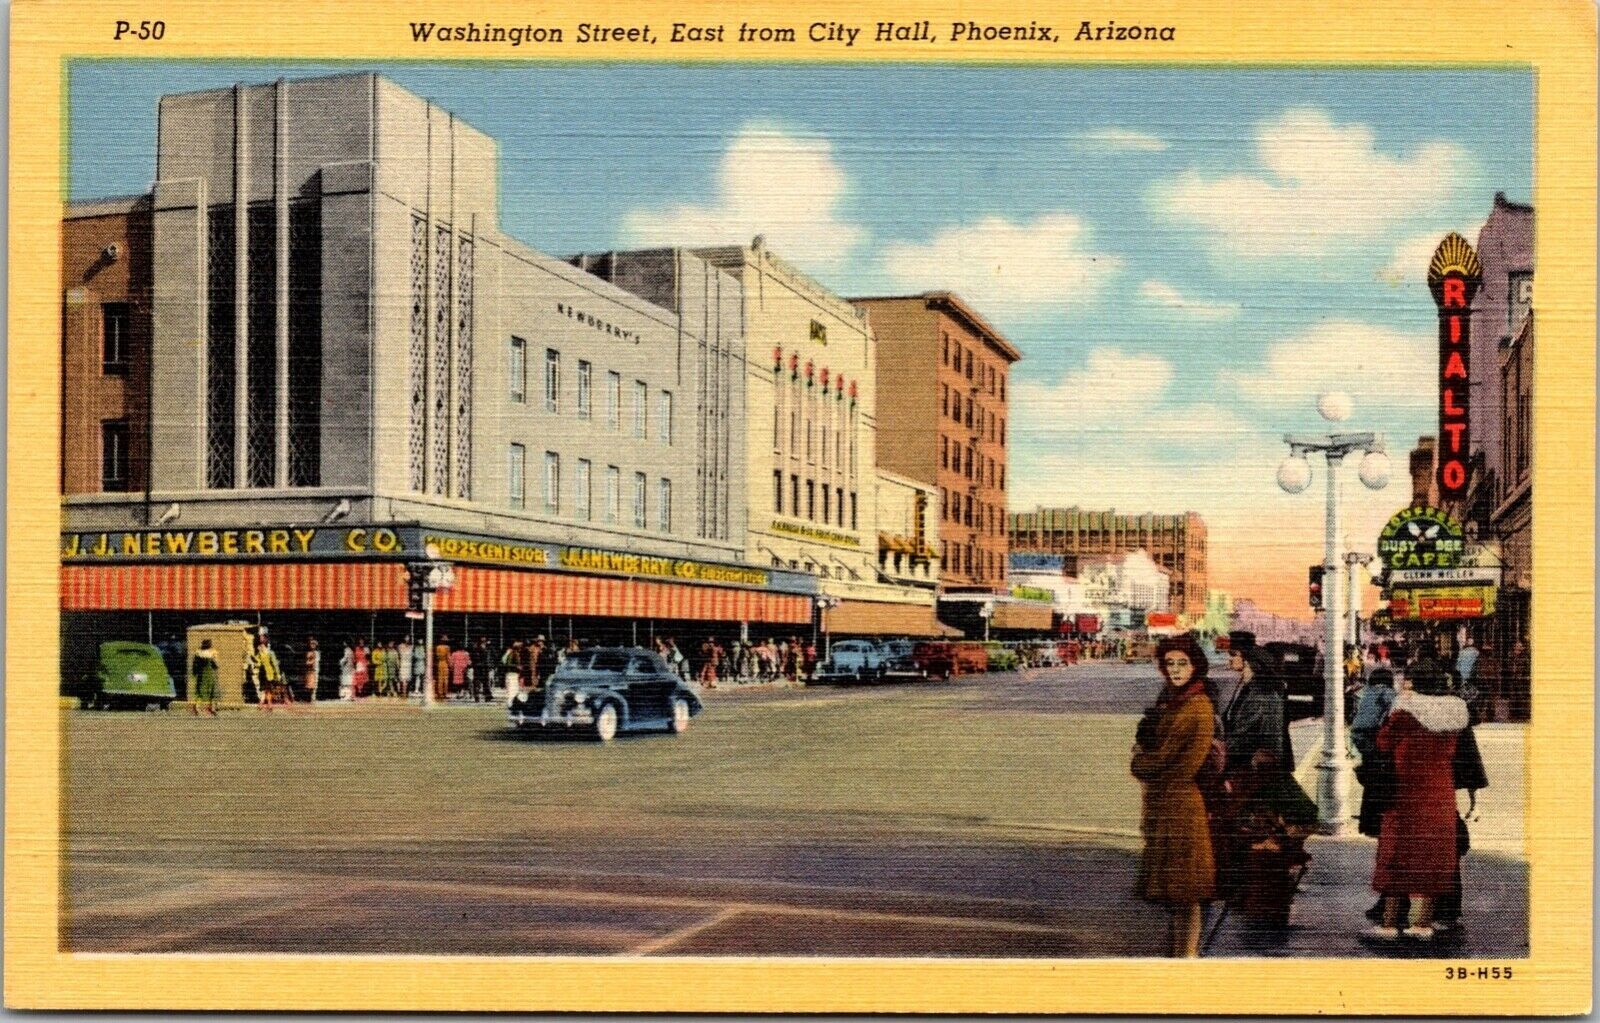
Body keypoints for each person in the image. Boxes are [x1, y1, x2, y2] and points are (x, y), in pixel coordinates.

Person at [1367, 659, 1470, 942]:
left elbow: (1383, 742)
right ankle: (1422, 923)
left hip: (1405, 793)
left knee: (1397, 855)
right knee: (1433, 857)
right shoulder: (1455, 711)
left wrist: (1399, 706)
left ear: (1416, 682)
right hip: (1440, 794)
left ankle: (1389, 925)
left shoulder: (1405, 711)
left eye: (1408, 679)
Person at [1130, 633, 1216, 958]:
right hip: (1170, 803)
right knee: (1178, 895)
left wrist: (1139, 758)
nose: (1176, 670)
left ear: (1195, 665)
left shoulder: (1194, 707)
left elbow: (1162, 759)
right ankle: (1183, 956)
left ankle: (1188, 957)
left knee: (1186, 891)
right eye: (1170, 664)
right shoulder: (1178, 701)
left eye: (1183, 663)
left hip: (1181, 805)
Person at [1352, 668, 1400, 839]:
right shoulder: (1386, 692)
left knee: (1371, 777)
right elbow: (1396, 709)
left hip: (1359, 737)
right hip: (1372, 736)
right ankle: (1377, 823)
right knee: (1380, 779)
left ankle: (1367, 822)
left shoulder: (1367, 692)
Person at [191, 639, 220, 716]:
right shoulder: (213, 653)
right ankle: (211, 708)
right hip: (210, 674)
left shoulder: (197, 653)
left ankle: (197, 707)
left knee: (200, 691)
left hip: (201, 674)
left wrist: (194, 673)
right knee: (212, 691)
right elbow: (216, 665)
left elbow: (194, 665)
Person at [302, 637, 321, 702]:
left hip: (314, 669)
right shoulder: (309, 652)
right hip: (310, 670)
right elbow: (307, 661)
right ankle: (309, 698)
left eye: (314, 644)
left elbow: (315, 661)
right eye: (311, 644)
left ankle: (313, 697)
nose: (312, 645)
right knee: (309, 684)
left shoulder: (316, 653)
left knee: (314, 684)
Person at [433, 635, 451, 702]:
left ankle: (440, 693)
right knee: (445, 679)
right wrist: (450, 665)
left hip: (440, 663)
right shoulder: (447, 647)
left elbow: (437, 656)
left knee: (440, 679)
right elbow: (448, 657)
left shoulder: (438, 647)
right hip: (445, 663)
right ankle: (444, 693)